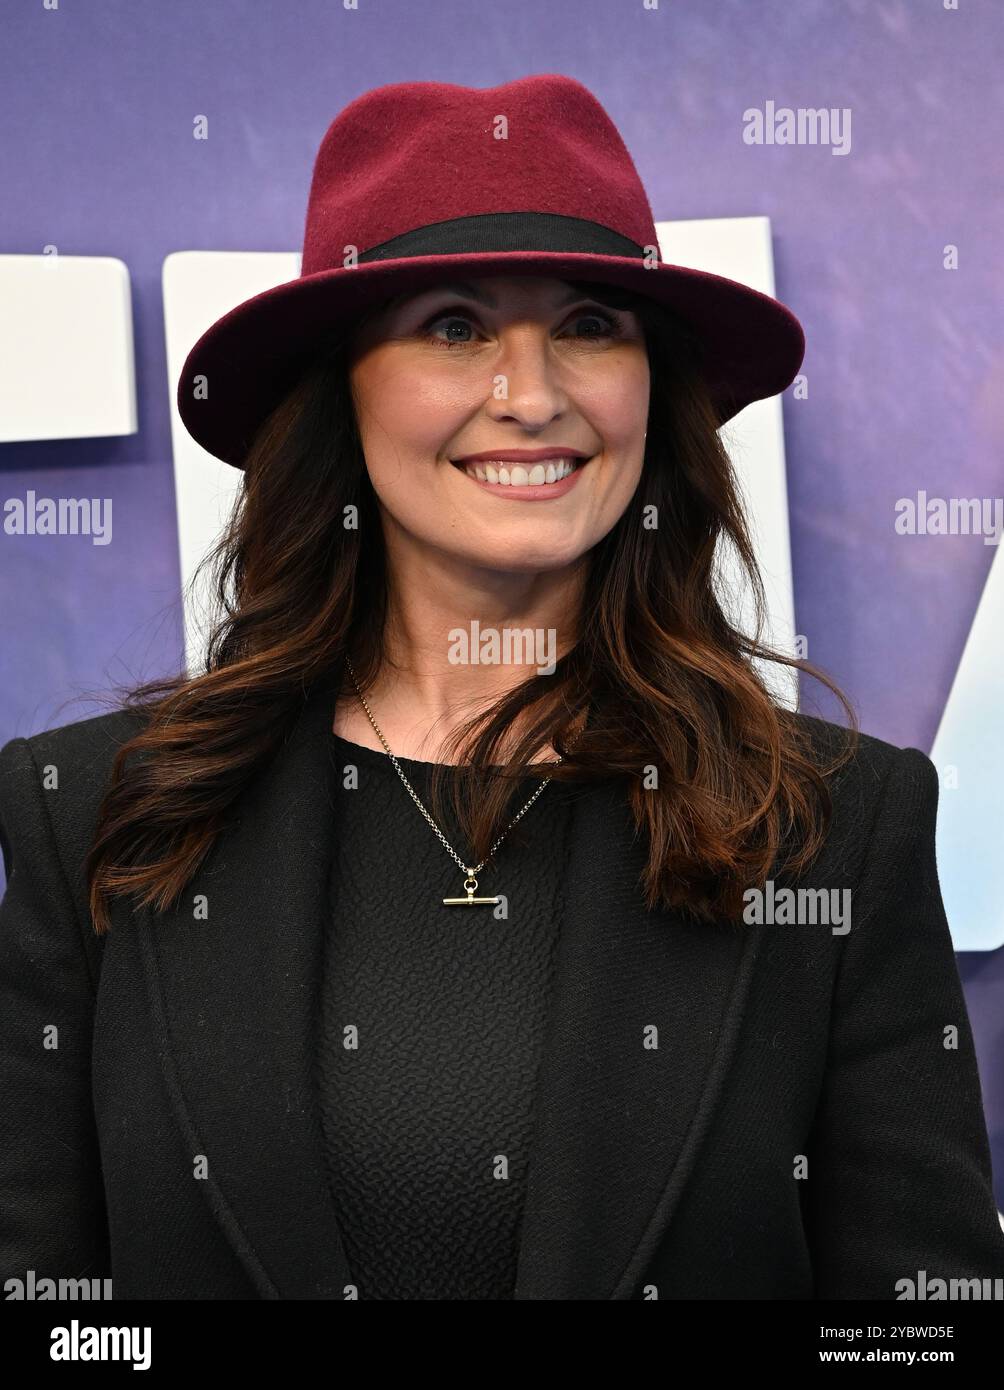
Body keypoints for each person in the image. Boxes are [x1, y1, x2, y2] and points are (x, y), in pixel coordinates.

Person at [2, 74, 1003, 1302]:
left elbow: (920, 1324)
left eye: (588, 323)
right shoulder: (97, 815)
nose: (531, 395)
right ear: (339, 390)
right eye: (454, 326)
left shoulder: (835, 829)